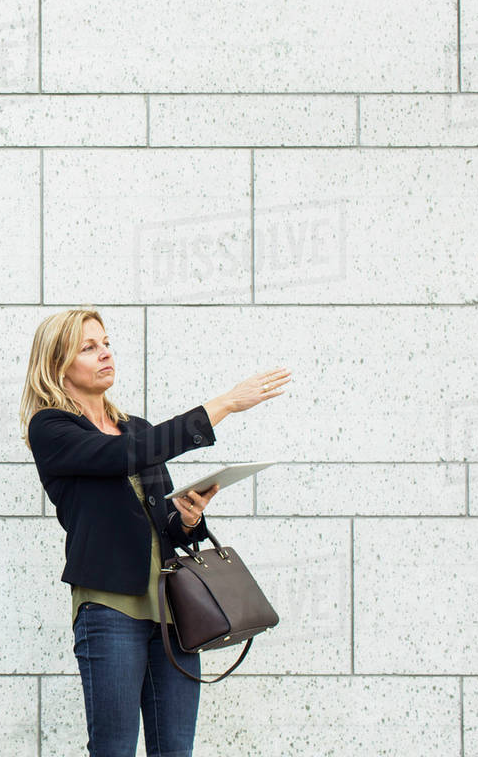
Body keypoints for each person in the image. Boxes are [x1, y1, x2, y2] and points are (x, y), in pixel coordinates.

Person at [20, 309, 289, 757]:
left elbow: (166, 526)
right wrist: (222, 405)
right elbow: (122, 456)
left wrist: (187, 517)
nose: (105, 353)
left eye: (105, 342)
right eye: (88, 347)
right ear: (57, 365)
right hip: (110, 611)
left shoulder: (137, 427)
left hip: (173, 615)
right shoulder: (50, 428)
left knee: (175, 751)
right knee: (114, 750)